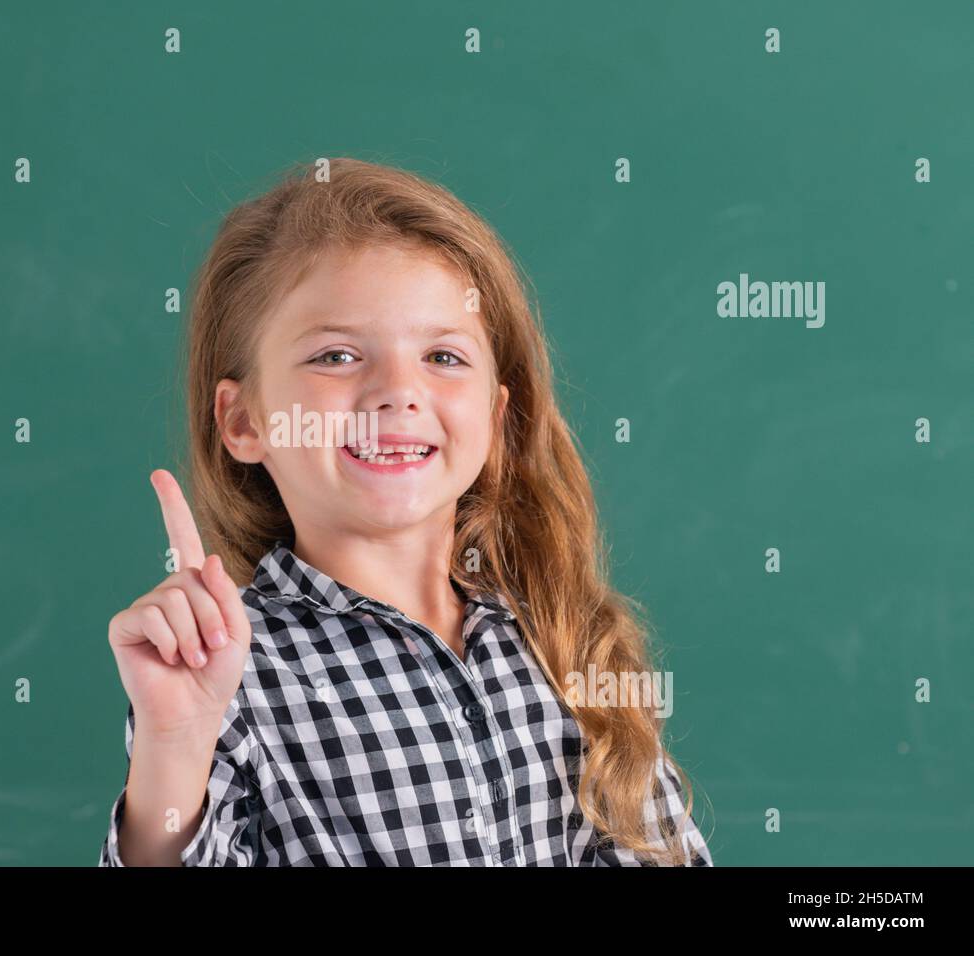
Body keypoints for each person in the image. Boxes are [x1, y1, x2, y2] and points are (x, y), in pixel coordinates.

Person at [100, 158, 714, 866]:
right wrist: (174, 747)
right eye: (336, 355)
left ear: (496, 416)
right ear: (242, 421)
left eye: (443, 357)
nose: (398, 391)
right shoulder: (224, 673)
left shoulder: (561, 635)